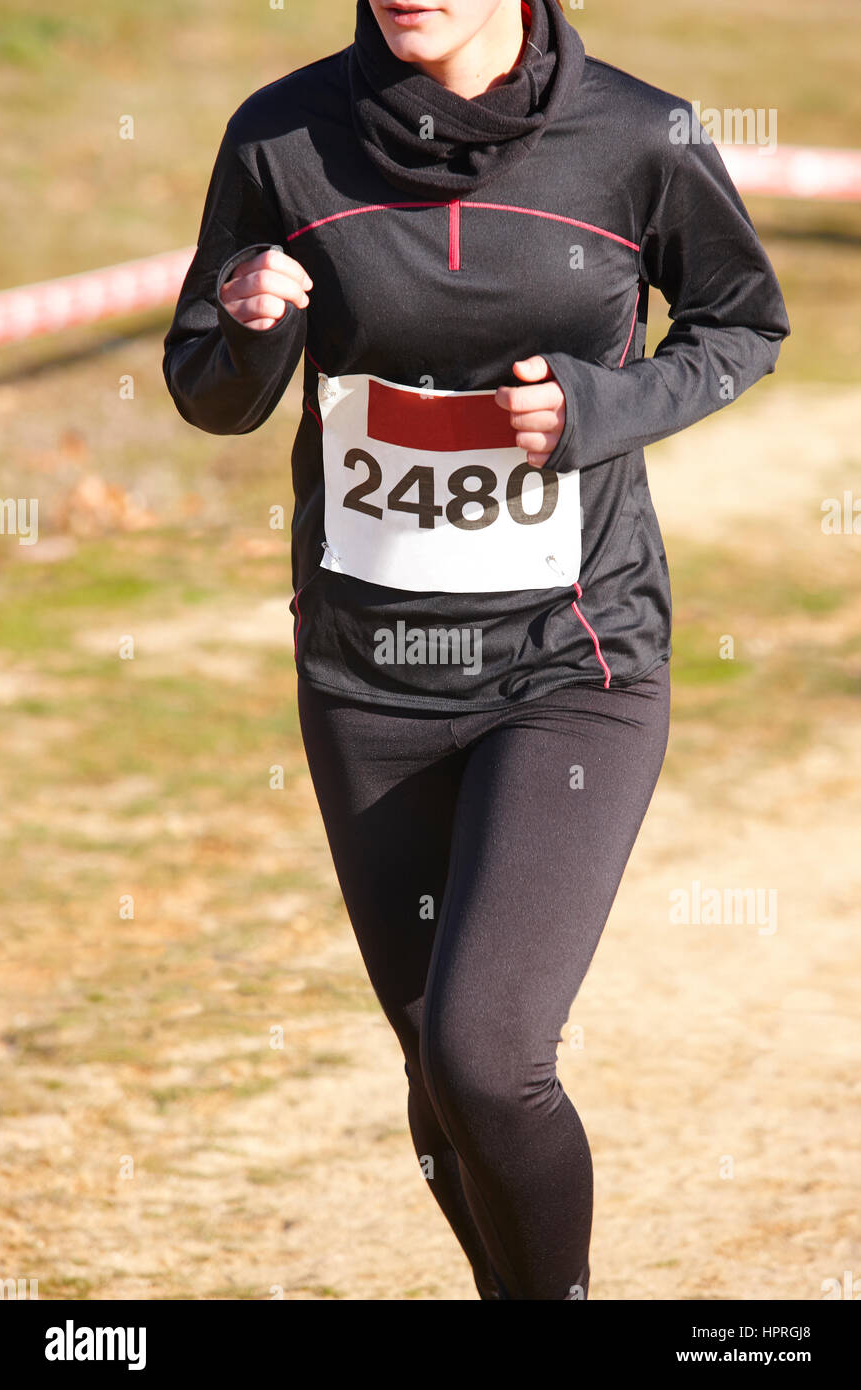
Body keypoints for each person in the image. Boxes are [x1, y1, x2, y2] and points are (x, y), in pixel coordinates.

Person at [162, 0, 790, 1299]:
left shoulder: (635, 136)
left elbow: (740, 325)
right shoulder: (280, 138)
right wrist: (248, 322)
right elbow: (210, 393)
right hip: (363, 675)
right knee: (436, 1073)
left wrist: (600, 406)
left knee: (487, 1049)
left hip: (570, 660)